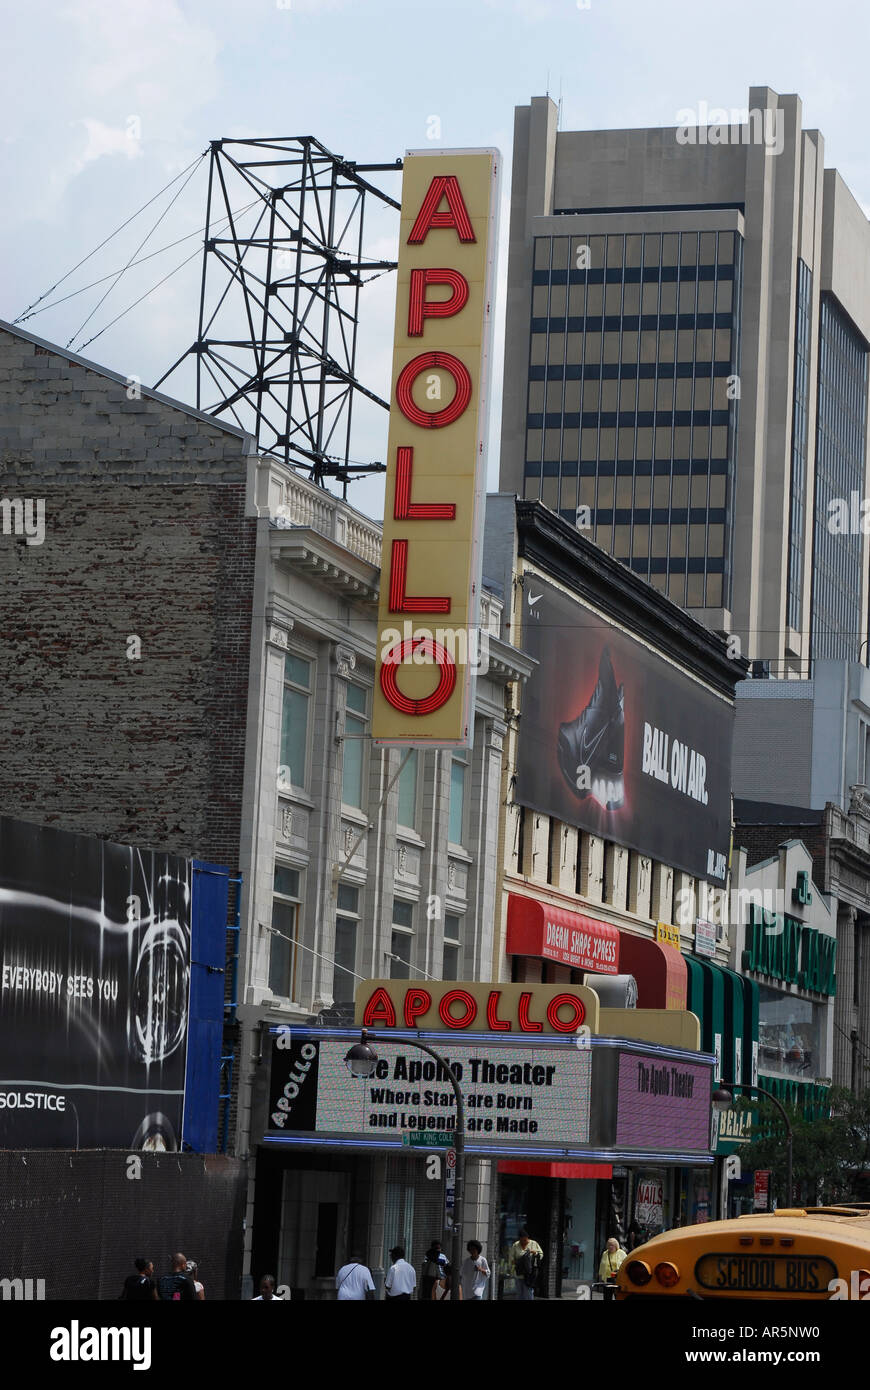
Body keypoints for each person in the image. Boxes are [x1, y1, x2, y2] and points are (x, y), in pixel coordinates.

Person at [510, 1228, 544, 1300]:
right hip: (519, 1273)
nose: (524, 1242)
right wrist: (515, 1262)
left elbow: (541, 1254)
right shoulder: (515, 1245)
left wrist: (535, 1252)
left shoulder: (534, 1243)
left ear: (527, 1238)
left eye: (525, 1240)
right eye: (521, 1240)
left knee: (528, 1292)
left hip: (529, 1274)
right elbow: (511, 1257)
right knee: (519, 1293)